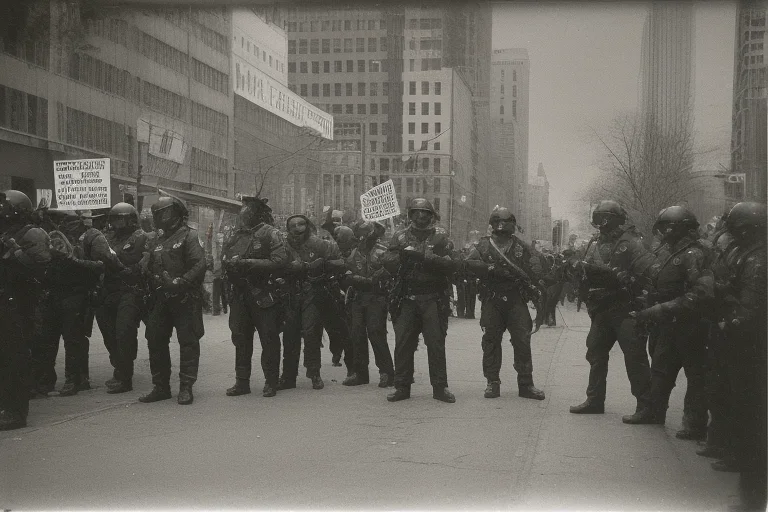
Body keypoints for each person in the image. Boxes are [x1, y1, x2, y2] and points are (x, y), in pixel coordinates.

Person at [569, 200, 659, 422]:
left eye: (602, 220)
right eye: (598, 220)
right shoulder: (593, 244)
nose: (600, 225)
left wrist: (634, 292)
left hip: (625, 307)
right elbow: (582, 267)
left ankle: (646, 406)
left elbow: (650, 273)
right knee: (596, 353)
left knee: (634, 357)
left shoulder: (631, 243)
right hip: (601, 308)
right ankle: (595, 400)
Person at [629, 206, 712, 440]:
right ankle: (654, 412)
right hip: (669, 323)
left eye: (667, 227)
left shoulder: (695, 253)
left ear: (679, 228)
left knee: (695, 374)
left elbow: (702, 294)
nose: (662, 232)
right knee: (661, 369)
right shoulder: (671, 252)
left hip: (692, 324)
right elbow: (660, 283)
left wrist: (661, 308)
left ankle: (694, 424)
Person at [711, 202, 766, 510]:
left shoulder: (757, 258)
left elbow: (751, 307)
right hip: (744, 344)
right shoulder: (747, 253)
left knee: (750, 415)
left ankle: (753, 500)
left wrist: (728, 322)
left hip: (750, 347)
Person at [464, 207, 546, 400]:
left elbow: (537, 271)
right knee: (491, 341)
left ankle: (526, 383)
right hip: (492, 299)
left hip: (516, 299)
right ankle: (492, 382)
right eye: (498, 223)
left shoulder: (522, 248)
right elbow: (467, 265)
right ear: (492, 225)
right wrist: (490, 269)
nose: (502, 227)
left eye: (506, 222)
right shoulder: (483, 246)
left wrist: (537, 287)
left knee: (522, 340)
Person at [381, 198, 457, 403]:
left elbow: (453, 264)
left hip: (433, 297)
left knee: (435, 344)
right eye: (416, 212)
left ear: (431, 215)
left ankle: (440, 387)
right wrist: (402, 258)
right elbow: (387, 262)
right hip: (407, 297)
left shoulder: (441, 237)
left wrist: (427, 259)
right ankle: (402, 386)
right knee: (403, 344)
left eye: (425, 212)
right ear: (410, 214)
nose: (421, 216)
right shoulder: (400, 237)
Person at [36, 209, 114, 396]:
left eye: (63, 220)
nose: (59, 224)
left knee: (73, 339)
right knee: (47, 339)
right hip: (53, 293)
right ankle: (46, 381)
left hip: (76, 294)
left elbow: (102, 265)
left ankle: (75, 379)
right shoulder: (49, 237)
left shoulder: (90, 237)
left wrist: (72, 260)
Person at [140, 195, 206, 405]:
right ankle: (161, 387)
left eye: (164, 213)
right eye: (157, 214)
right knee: (155, 340)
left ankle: (186, 387)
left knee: (188, 342)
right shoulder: (155, 239)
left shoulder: (189, 236)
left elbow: (199, 265)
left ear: (176, 213)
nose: (159, 217)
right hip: (160, 297)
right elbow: (147, 266)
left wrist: (181, 281)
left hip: (184, 297)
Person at [221, 196, 288, 398]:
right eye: (243, 211)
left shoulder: (271, 234)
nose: (243, 215)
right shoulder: (235, 234)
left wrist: (247, 263)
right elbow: (225, 256)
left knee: (269, 338)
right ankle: (242, 382)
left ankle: (271, 381)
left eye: (248, 211)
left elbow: (280, 261)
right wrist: (229, 265)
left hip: (263, 293)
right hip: (240, 294)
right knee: (240, 339)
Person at [279, 214, 349, 390]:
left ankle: (314, 373)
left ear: (307, 226)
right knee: (290, 335)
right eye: (293, 225)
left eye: (301, 224)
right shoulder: (282, 245)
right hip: (290, 294)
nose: (297, 228)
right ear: (288, 229)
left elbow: (340, 263)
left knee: (312, 333)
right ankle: (288, 376)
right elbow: (275, 265)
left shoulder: (319, 244)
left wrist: (319, 265)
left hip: (313, 292)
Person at [0, 190, 46, 430]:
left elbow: (41, 267)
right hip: (5, 300)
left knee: (14, 357)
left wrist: (15, 251)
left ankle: (16, 412)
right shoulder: (5, 232)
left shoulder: (31, 233)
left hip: (20, 302)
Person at [95, 202, 148, 394]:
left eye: (122, 219)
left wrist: (124, 268)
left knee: (123, 332)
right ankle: (119, 367)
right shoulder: (107, 238)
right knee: (109, 333)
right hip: (108, 290)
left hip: (130, 289)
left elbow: (144, 264)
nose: (118, 223)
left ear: (132, 219)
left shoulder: (142, 238)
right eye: (115, 219)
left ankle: (125, 377)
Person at [342, 220, 395, 387]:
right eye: (361, 235)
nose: (364, 238)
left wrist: (376, 278)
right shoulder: (353, 253)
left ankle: (386, 372)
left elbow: (389, 273)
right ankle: (360, 373)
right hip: (357, 297)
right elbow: (346, 271)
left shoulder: (383, 252)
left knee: (376, 333)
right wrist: (352, 278)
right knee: (357, 334)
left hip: (376, 297)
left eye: (367, 234)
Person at [455, 243, 478, 319]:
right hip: (468, 278)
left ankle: (466, 313)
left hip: (466, 278)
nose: (467, 251)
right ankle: (469, 313)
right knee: (469, 297)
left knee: (466, 296)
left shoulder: (463, 257)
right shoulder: (473, 256)